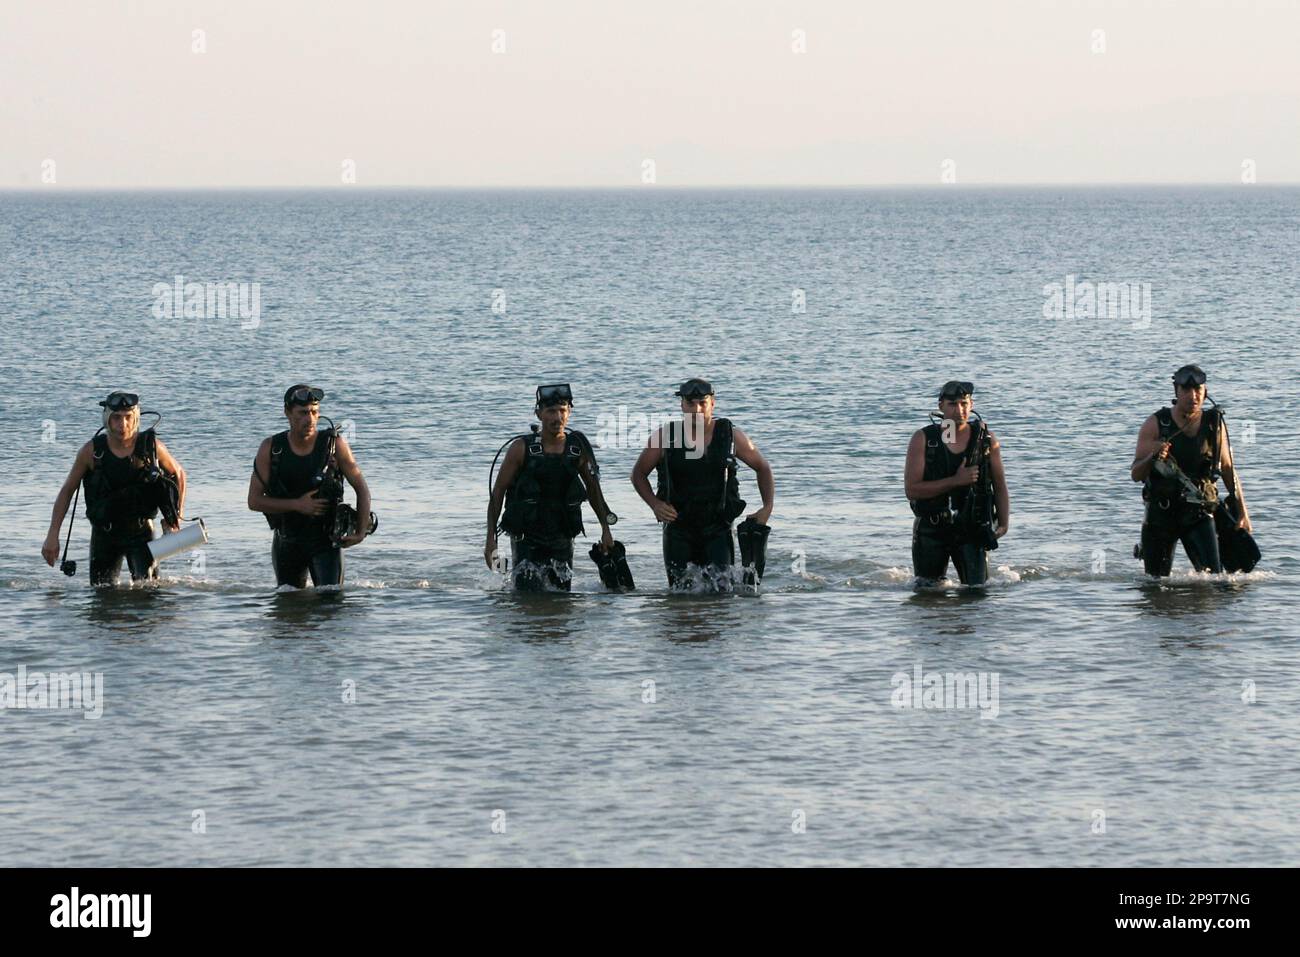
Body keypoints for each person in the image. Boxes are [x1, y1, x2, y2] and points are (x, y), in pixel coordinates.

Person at [631, 378, 774, 591]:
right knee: (679, 596)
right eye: (690, 403)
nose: (696, 409)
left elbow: (763, 468)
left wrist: (766, 507)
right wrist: (654, 504)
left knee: (721, 597)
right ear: (682, 405)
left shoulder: (731, 435)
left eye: (702, 403)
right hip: (678, 530)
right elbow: (638, 473)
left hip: (718, 529)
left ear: (712, 404)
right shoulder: (664, 436)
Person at [41, 391, 187, 586]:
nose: (123, 424)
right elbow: (67, 491)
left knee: (148, 594)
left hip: (142, 533)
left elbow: (179, 474)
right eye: (116, 418)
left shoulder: (151, 447)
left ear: (136, 418)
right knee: (102, 597)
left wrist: (176, 517)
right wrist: (52, 535)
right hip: (105, 535)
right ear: (107, 419)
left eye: (128, 418)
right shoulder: (92, 452)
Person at [485, 384, 616, 591]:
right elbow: (498, 492)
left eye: (562, 411)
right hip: (526, 538)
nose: (557, 417)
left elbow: (594, 491)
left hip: (562, 537)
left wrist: (605, 529)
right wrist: (491, 542)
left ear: (569, 413)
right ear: (539, 414)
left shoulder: (577, 448)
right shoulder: (521, 449)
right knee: (527, 599)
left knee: (562, 600)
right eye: (551, 412)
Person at [1130, 364, 1252, 576]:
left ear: (1205, 393)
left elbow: (1228, 469)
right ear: (1176, 391)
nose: (1192, 395)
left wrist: (1243, 513)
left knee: (1212, 580)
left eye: (1198, 390)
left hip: (1198, 513)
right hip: (1161, 513)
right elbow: (1136, 474)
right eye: (1186, 390)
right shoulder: (1156, 424)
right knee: (1154, 586)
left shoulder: (1214, 425)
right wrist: (1154, 456)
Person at [248, 385, 372, 588]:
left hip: (325, 542)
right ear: (287, 413)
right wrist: (298, 505)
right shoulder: (271, 448)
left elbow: (362, 489)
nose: (310, 419)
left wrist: (360, 531)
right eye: (303, 413)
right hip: (287, 541)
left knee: (330, 603)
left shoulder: (334, 445)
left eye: (314, 412)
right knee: (288, 607)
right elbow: (254, 501)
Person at [904, 380, 1009, 587]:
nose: (959, 410)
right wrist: (956, 481)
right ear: (940, 406)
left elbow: (999, 485)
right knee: (928, 594)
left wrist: (1004, 523)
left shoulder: (986, 440)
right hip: (932, 528)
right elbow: (912, 490)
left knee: (977, 593)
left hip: (972, 528)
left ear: (971, 405)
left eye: (963, 403)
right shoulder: (925, 439)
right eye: (952, 404)